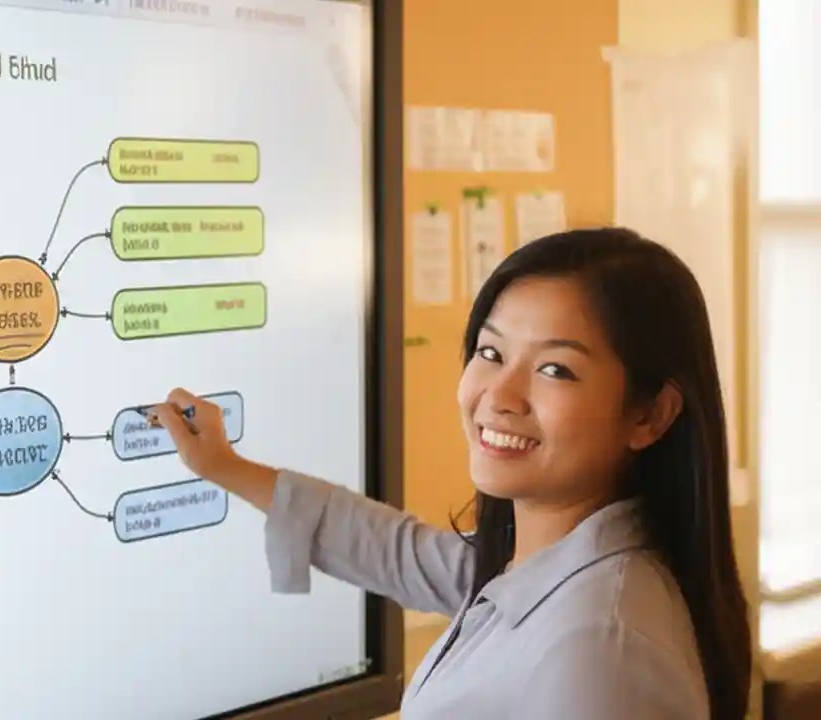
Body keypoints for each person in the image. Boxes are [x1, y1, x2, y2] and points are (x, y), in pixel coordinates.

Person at [148, 227, 751, 719]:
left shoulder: (599, 651)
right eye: (491, 354)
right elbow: (392, 550)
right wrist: (224, 466)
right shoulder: (548, 567)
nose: (501, 395)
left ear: (649, 414)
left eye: (556, 370)